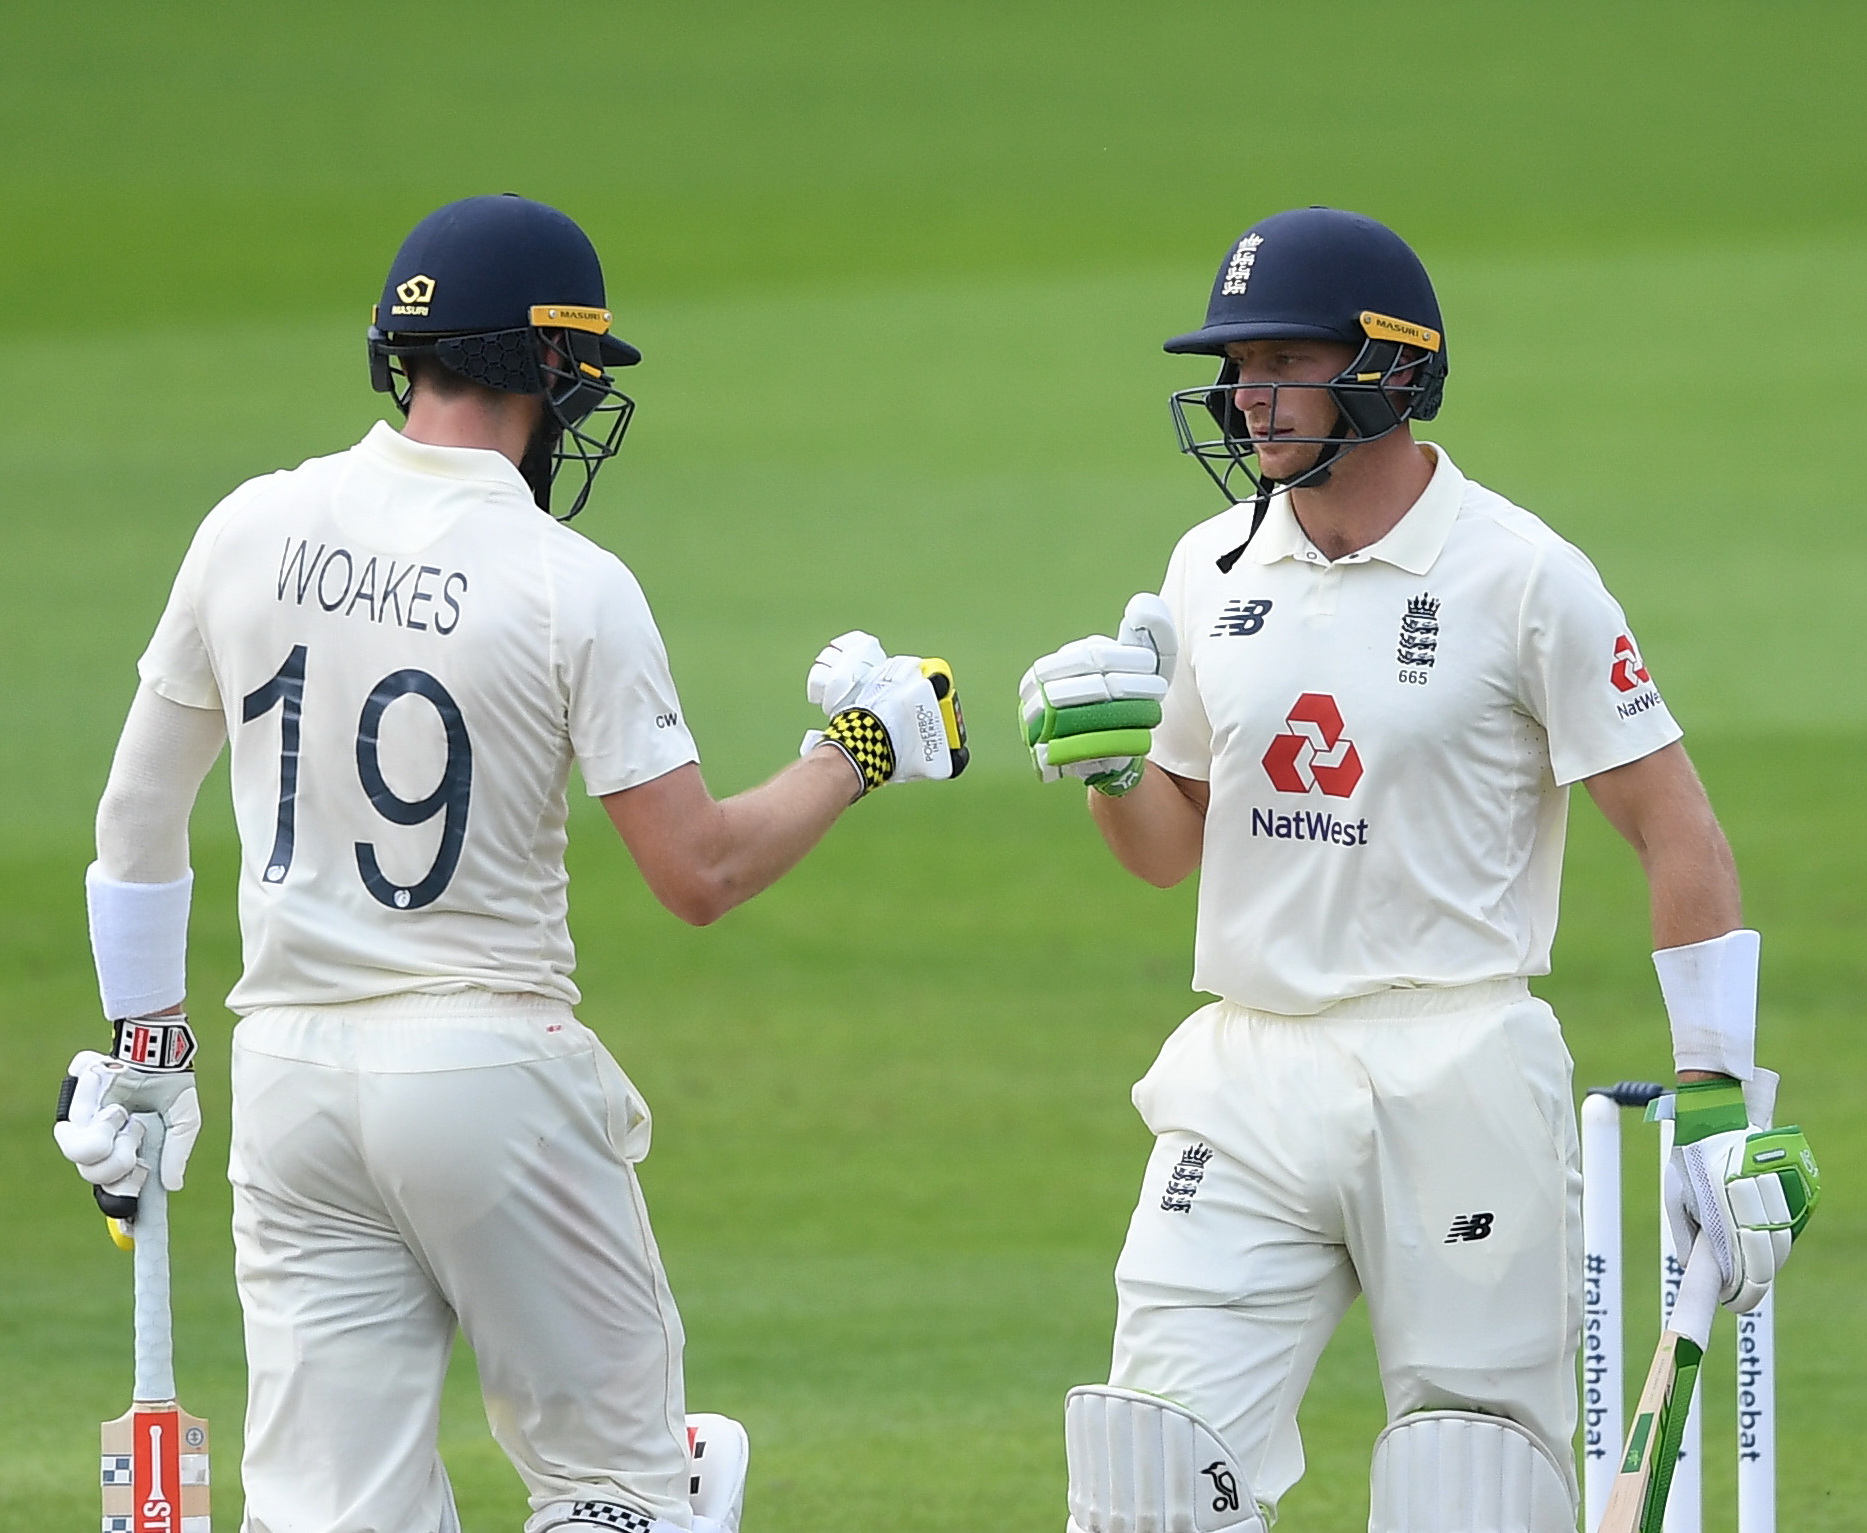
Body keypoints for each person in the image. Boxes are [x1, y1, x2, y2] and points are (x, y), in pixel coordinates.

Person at [52, 192, 966, 1533]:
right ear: (551, 370)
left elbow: (135, 818)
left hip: (291, 1081)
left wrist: (151, 1054)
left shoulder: (250, 524)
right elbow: (698, 871)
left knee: (326, 1514)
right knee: (621, 1486)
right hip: (485, 1071)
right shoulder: (567, 582)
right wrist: (863, 747)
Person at [1021, 207, 1819, 1532]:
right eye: (1236, 363)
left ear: (1388, 369)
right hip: (1249, 1066)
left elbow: (1679, 832)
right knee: (1148, 1470)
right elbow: (1171, 851)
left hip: (1457, 1069)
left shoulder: (1524, 577)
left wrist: (1717, 1094)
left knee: (1471, 1485)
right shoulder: (1210, 566)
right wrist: (1114, 775)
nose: (1245, 393)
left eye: (1283, 358)